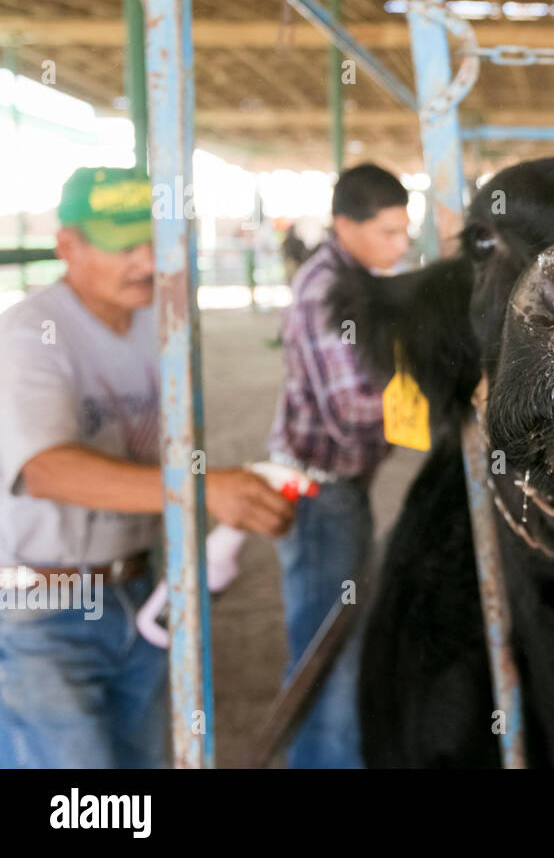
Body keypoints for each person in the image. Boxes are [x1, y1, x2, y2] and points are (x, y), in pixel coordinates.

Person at [0, 166, 294, 768]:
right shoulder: (31, 335)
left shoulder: (163, 327)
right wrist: (204, 491)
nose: (145, 260)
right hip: (40, 612)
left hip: (139, 591)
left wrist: (231, 497)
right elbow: (46, 470)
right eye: (123, 245)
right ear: (67, 247)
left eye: (156, 241)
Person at [268, 163, 411, 768]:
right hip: (320, 494)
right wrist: (431, 392)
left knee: (342, 635)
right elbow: (353, 407)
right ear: (343, 225)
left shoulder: (362, 277)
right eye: (388, 233)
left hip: (343, 487)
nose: (401, 245)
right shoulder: (329, 289)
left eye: (405, 231)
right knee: (330, 651)